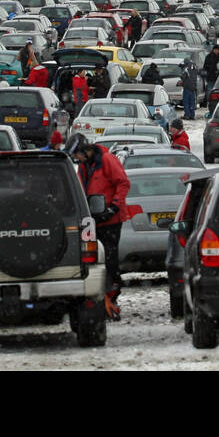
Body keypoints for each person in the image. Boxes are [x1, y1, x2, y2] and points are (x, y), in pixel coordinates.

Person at [65, 134, 139, 320]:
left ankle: (111, 296)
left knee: (110, 260)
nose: (76, 159)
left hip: (111, 220)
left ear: (84, 150)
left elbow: (123, 183)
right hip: (93, 220)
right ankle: (100, 296)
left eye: (77, 155)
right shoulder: (83, 167)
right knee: (95, 261)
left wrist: (113, 206)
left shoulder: (107, 160)